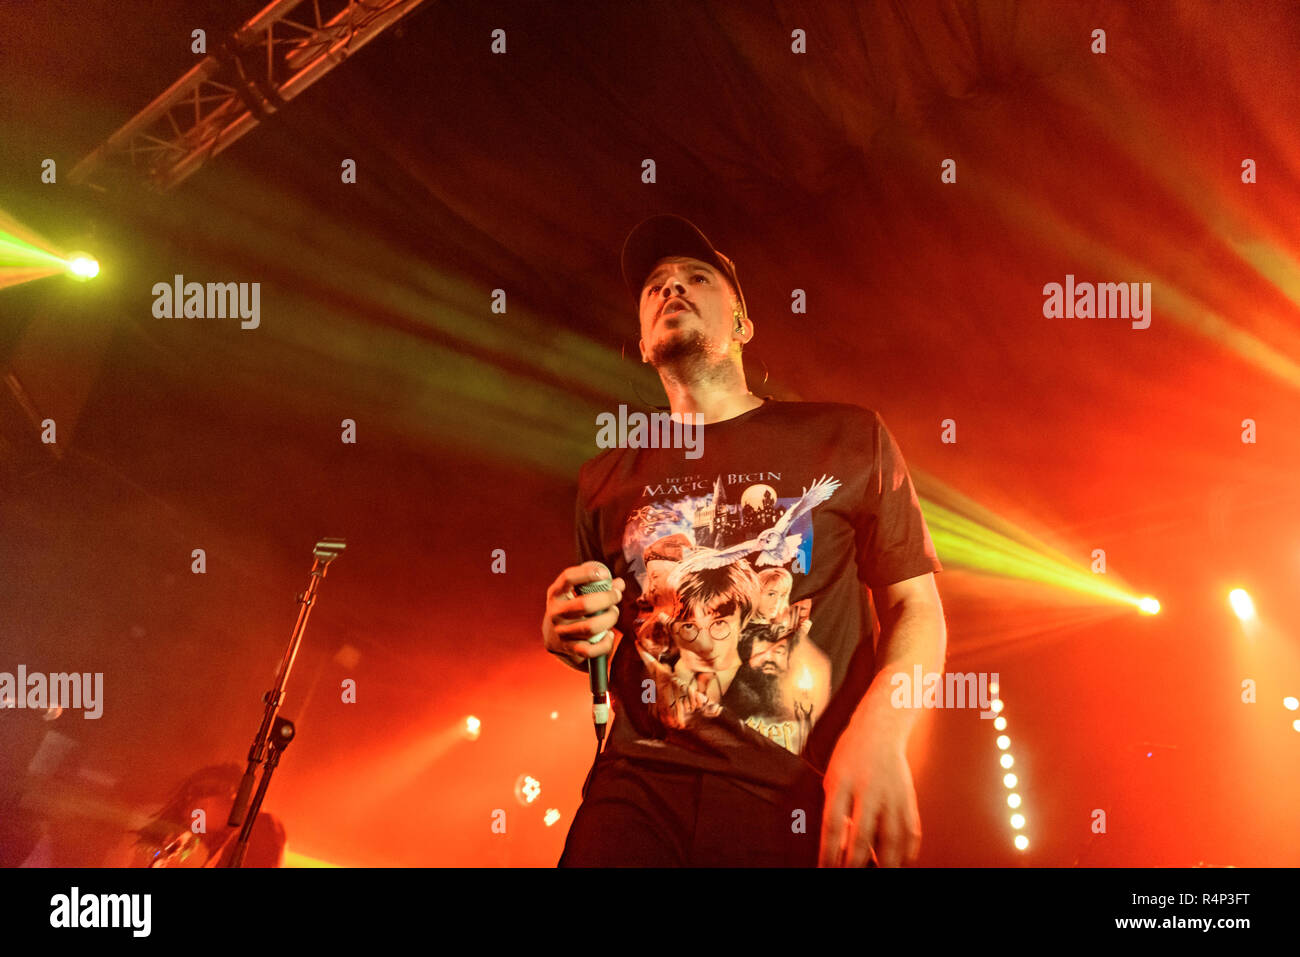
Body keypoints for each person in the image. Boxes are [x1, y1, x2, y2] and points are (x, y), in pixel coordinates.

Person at [542, 214, 946, 867]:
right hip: (637, 793)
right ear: (642, 343)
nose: (673, 287)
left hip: (797, 795)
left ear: (741, 323)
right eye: (655, 286)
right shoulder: (605, 479)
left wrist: (883, 730)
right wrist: (564, 632)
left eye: (697, 277)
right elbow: (609, 625)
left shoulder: (848, 438)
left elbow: (916, 607)